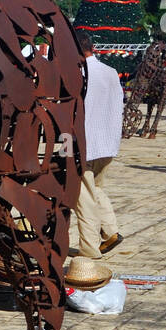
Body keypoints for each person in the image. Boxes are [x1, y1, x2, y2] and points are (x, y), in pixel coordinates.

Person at [72, 33, 124, 258]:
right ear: (92, 47)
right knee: (97, 189)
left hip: (84, 144)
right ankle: (111, 231)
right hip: (107, 143)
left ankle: (90, 249)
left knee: (82, 197)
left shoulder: (77, 74)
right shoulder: (111, 72)